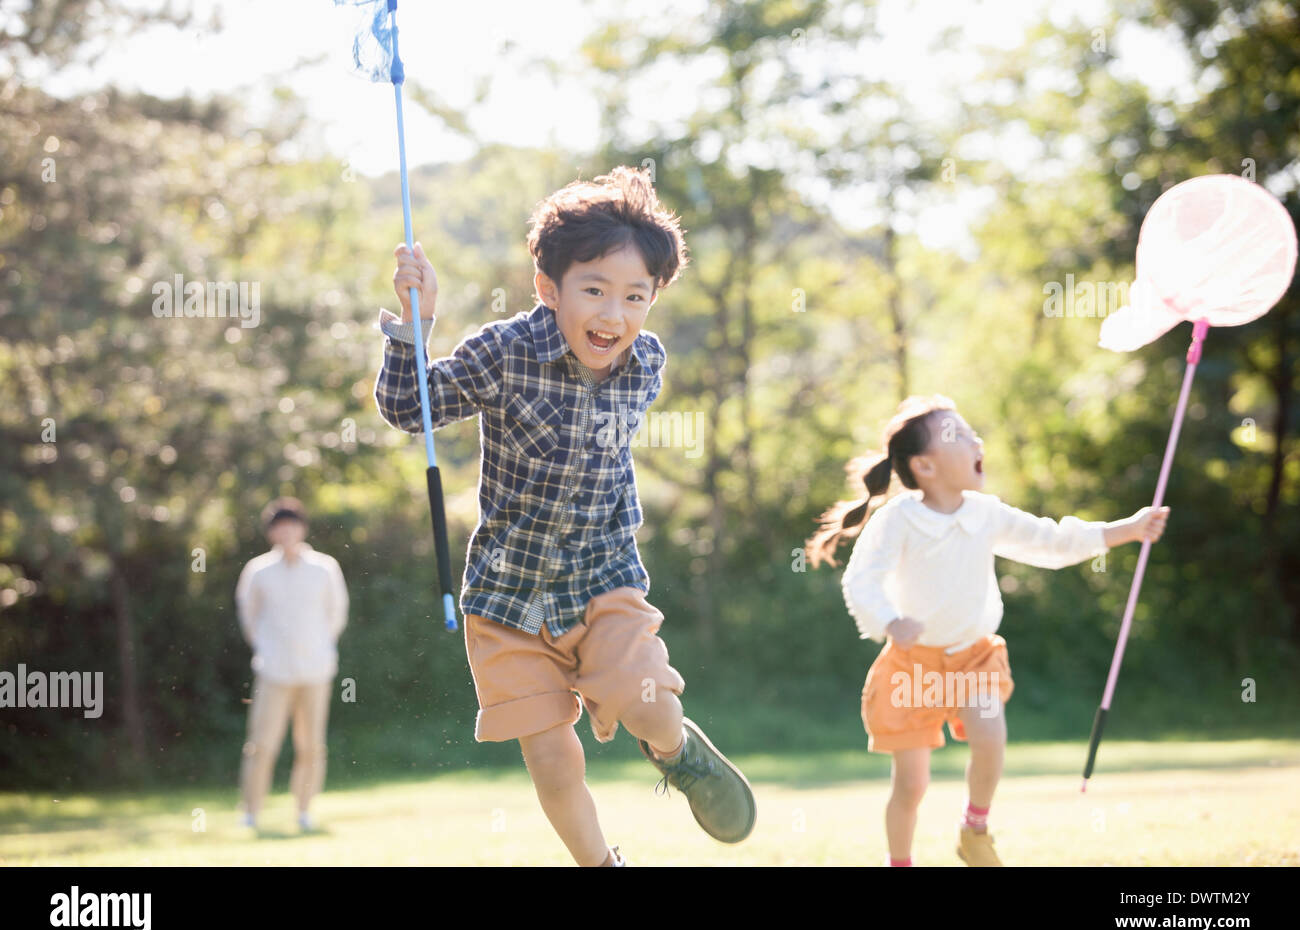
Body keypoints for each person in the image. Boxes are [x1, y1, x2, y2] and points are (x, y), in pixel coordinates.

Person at [372, 166, 756, 866]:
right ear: (549, 289)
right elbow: (410, 409)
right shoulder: (503, 352)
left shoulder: (644, 363)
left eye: (636, 297)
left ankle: (676, 750)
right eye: (595, 291)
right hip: (506, 598)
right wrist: (413, 327)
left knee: (644, 703)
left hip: (601, 577)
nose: (614, 315)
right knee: (552, 756)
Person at [806, 394, 1169, 866]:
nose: (975, 439)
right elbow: (862, 579)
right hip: (911, 667)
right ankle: (900, 861)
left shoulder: (986, 513)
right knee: (911, 785)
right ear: (925, 466)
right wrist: (890, 621)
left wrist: (1127, 529)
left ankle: (974, 829)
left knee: (990, 738)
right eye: (957, 435)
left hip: (973, 656)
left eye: (971, 430)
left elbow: (1051, 541)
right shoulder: (900, 519)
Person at [234, 497, 348, 833]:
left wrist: (318, 647)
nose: (286, 532)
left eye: (292, 524)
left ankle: (304, 810)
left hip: (316, 670)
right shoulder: (258, 571)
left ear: (302, 527)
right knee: (261, 744)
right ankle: (251, 812)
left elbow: (336, 614)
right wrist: (269, 650)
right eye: (279, 526)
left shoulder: (325, 567)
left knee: (311, 745)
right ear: (271, 532)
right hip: (273, 671)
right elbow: (249, 617)